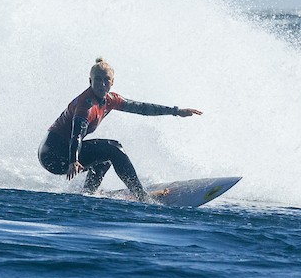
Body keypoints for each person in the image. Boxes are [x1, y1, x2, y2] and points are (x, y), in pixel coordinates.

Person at [39, 57, 202, 200]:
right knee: (113, 149)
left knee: (106, 156)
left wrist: (175, 111)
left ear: (112, 82)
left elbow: (141, 108)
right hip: (54, 156)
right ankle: (142, 196)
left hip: (63, 150)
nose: (102, 84)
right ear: (90, 81)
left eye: (106, 80)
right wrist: (73, 161)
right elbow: (77, 134)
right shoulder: (86, 106)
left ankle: (88, 193)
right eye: (98, 79)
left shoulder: (111, 99)